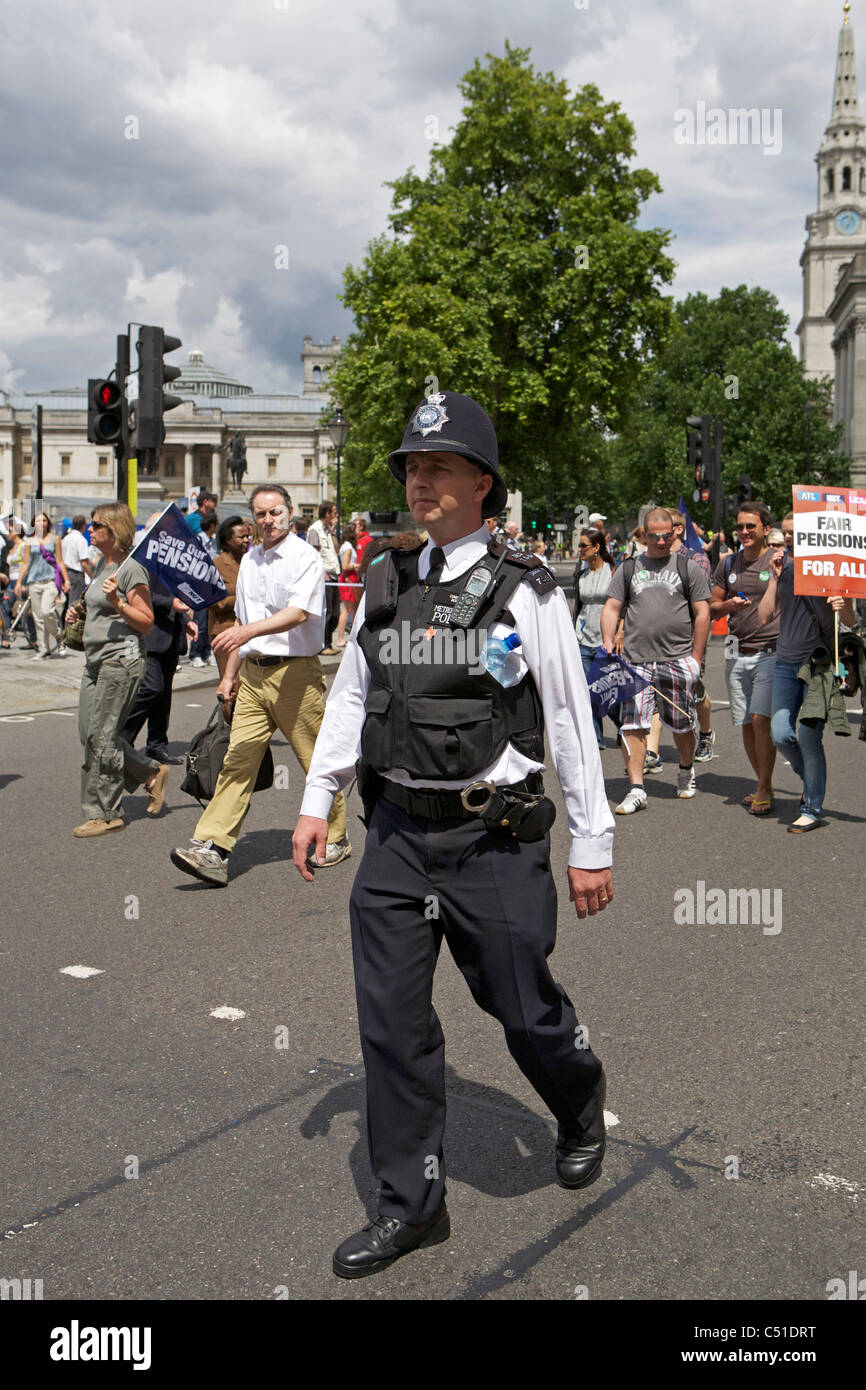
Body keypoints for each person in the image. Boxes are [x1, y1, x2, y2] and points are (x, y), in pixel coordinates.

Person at [292, 390, 614, 1280]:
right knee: (391, 1029)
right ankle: (412, 1208)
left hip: (492, 839)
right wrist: (319, 798)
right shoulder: (386, 580)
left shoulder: (525, 590)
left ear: (482, 483)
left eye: (437, 466)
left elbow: (569, 716)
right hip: (395, 834)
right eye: (411, 466)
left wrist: (592, 842)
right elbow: (353, 695)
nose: (419, 480)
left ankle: (578, 1097)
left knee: (521, 1007)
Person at [170, 484, 350, 887]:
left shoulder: (304, 556)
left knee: (314, 759)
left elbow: (299, 613)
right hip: (252, 672)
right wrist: (229, 675)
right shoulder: (250, 559)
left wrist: (245, 633)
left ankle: (336, 834)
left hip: (295, 674)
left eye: (275, 513)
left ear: (289, 513)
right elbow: (241, 627)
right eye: (261, 514)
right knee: (238, 759)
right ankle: (213, 848)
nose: (268, 521)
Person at [601, 507, 711, 814]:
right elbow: (612, 607)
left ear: (675, 532)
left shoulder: (688, 567)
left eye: (666, 535)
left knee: (681, 724)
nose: (661, 541)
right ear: (644, 535)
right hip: (636, 662)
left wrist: (696, 657)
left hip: (677, 659)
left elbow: (703, 613)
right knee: (632, 726)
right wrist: (609, 640)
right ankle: (637, 788)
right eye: (654, 536)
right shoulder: (629, 568)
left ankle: (686, 769)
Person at [70, 502, 169, 837]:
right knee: (89, 734)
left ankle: (106, 813)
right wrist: (77, 613)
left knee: (103, 737)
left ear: (114, 529)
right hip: (94, 661)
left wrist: (119, 603)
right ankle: (149, 772)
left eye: (96, 525)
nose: (90, 530)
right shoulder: (101, 564)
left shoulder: (131, 569)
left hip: (120, 661)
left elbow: (146, 622)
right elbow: (96, 608)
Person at [758, 513, 855, 832]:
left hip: (819, 665)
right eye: (784, 534)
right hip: (786, 662)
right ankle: (811, 777)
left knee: (809, 737)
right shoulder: (782, 567)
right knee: (780, 734)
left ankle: (812, 807)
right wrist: (773, 579)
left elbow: (852, 623)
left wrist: (844, 603)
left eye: (793, 533)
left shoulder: (832, 566)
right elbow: (764, 616)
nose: (787, 539)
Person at [709, 502, 780, 816]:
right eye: (740, 526)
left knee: (760, 719)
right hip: (736, 652)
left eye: (751, 526)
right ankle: (763, 782)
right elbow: (712, 605)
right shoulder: (727, 563)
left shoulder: (778, 560)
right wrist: (728, 608)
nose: (745, 532)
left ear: (766, 529)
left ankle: (764, 787)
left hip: (770, 651)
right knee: (746, 724)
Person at [120, 511, 200, 766]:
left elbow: (181, 596)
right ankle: (122, 736)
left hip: (171, 633)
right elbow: (136, 594)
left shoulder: (173, 560)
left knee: (164, 693)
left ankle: (157, 744)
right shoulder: (139, 558)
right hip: (149, 633)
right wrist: (170, 604)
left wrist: (187, 620)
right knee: (151, 688)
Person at [573, 527, 616, 750]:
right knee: (588, 690)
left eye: (583, 546)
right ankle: (595, 738)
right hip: (583, 637)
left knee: (608, 690)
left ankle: (625, 724)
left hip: (605, 639)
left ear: (597, 547)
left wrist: (619, 633)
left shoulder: (614, 572)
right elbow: (578, 606)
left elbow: (623, 606)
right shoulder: (581, 574)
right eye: (579, 545)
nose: (579, 550)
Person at [14, 513, 70, 659]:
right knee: (38, 618)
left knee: (47, 612)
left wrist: (67, 580)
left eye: (44, 520)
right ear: (34, 524)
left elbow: (60, 561)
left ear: (47, 523)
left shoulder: (54, 539)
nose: (41, 523)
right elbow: (25, 563)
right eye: (38, 520)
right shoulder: (29, 541)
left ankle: (59, 639)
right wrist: (19, 582)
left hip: (50, 581)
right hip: (34, 582)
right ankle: (42, 649)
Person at [208, 515, 252, 680]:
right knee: (231, 684)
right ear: (227, 540)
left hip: (248, 631)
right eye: (241, 537)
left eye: (248, 536)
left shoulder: (250, 563)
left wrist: (231, 593)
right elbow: (218, 603)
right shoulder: (216, 564)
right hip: (224, 631)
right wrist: (245, 597)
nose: (246, 540)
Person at [307, 502, 341, 653]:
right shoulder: (315, 530)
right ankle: (323, 645)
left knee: (335, 613)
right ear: (327, 513)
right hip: (324, 577)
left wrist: (332, 531)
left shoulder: (327, 530)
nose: (336, 515)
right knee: (327, 612)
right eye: (334, 512)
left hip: (334, 575)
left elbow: (337, 549)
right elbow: (313, 554)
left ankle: (328, 643)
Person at [61, 515, 93, 610]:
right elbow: (84, 563)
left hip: (65, 573)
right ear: (83, 526)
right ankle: (70, 624)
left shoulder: (65, 539)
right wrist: (92, 576)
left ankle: (64, 623)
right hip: (76, 574)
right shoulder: (81, 540)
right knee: (74, 602)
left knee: (67, 602)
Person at [336, 521, 359, 648]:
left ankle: (345, 637)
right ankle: (340, 639)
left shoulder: (345, 545)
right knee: (346, 610)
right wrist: (357, 565)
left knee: (349, 609)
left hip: (349, 579)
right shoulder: (348, 547)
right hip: (348, 579)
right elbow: (345, 566)